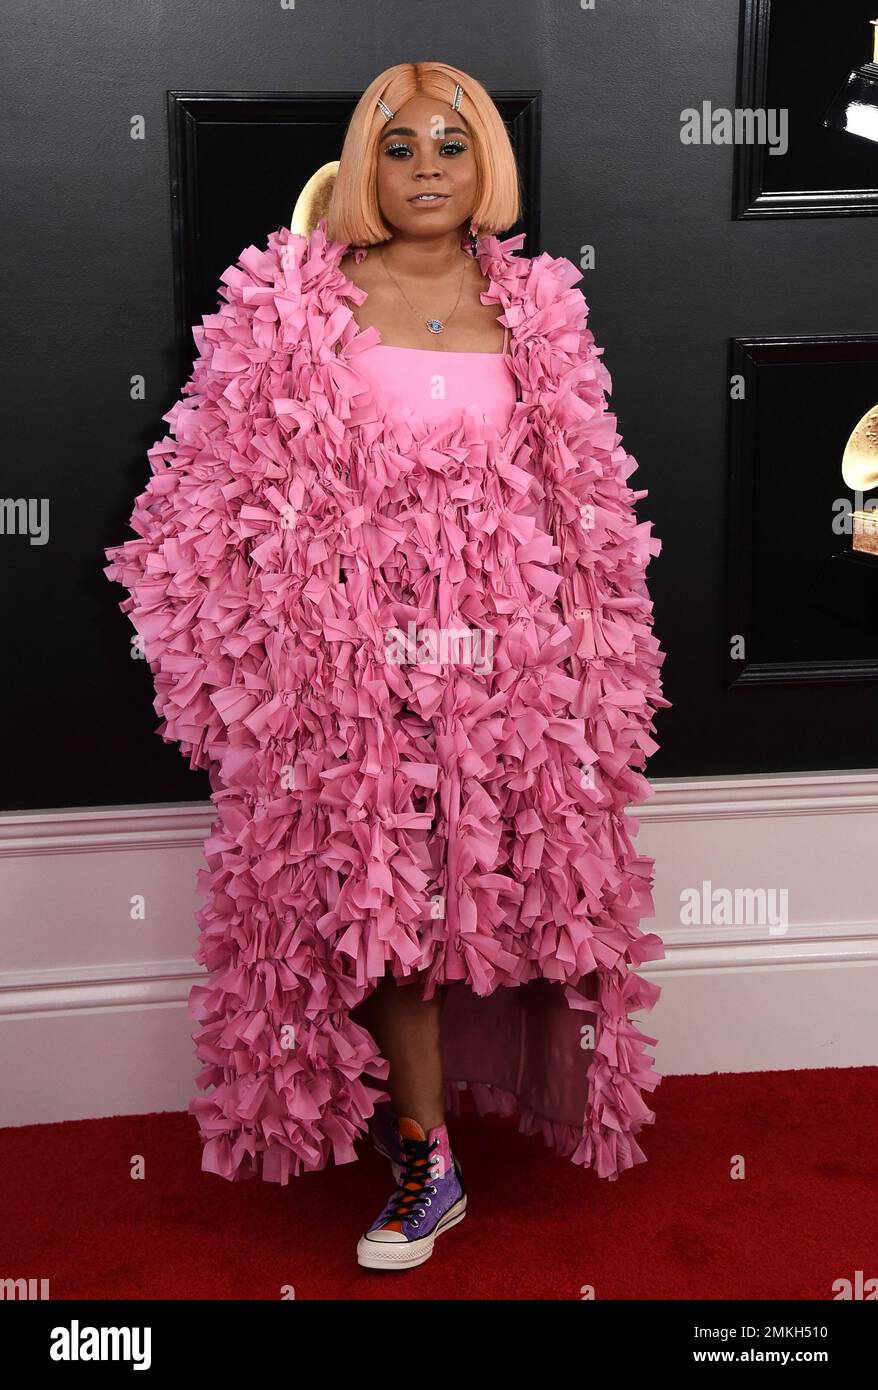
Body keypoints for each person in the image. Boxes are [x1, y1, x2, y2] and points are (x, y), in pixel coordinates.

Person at [104, 59, 668, 1274]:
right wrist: (244, 662)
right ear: (365, 165)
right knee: (382, 911)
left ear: (485, 168)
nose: (425, 169)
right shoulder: (294, 303)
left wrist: (591, 660)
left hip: (504, 671)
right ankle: (426, 1151)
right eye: (399, 146)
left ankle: (443, 1123)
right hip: (345, 674)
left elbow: (583, 504)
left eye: (450, 146)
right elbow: (209, 490)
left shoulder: (534, 306)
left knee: (482, 902)